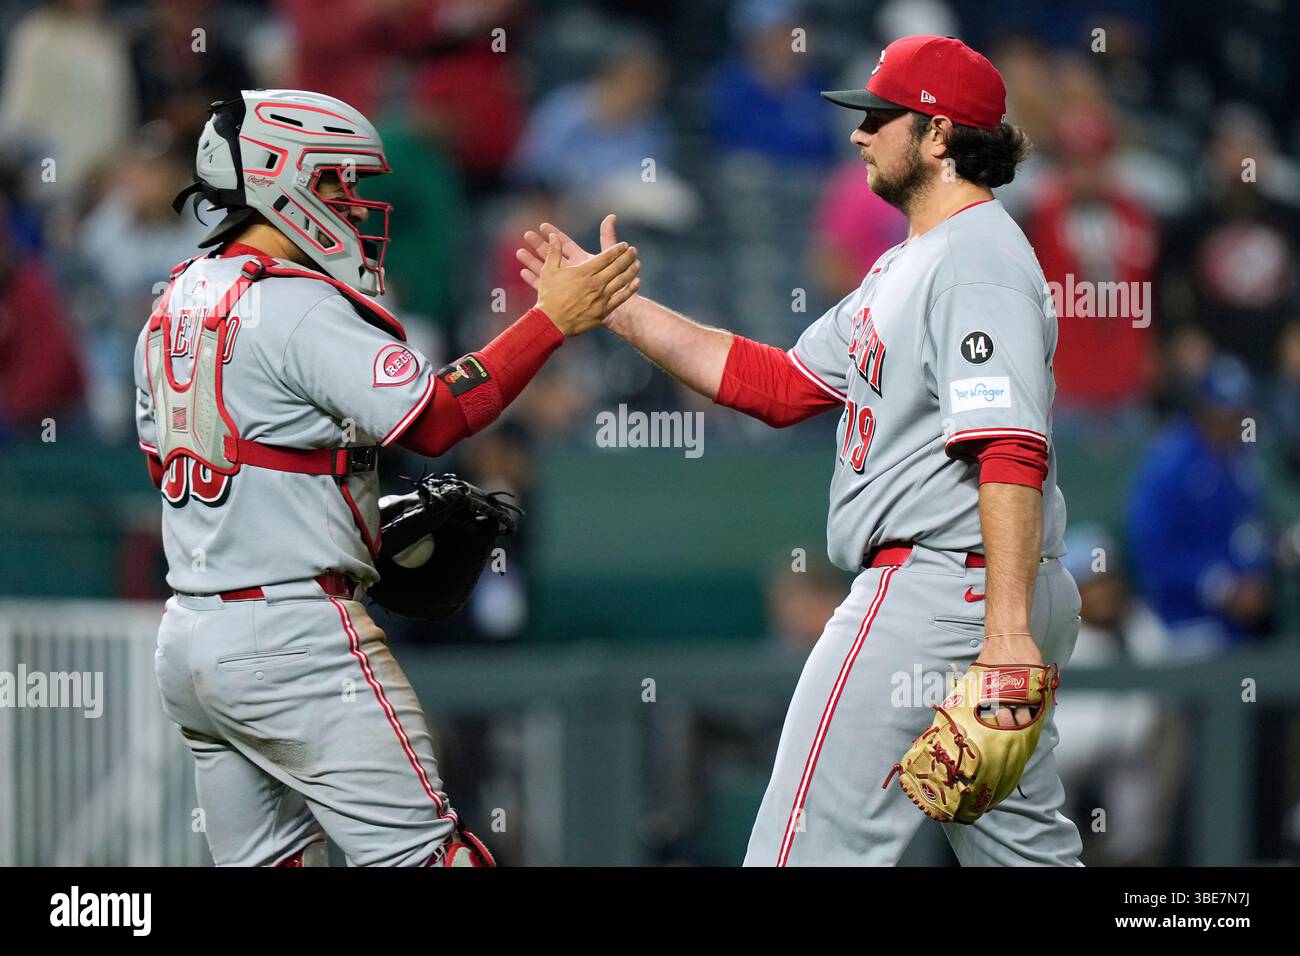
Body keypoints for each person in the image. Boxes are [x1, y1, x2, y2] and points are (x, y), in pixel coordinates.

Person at [518, 35, 1083, 866]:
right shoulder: (912, 263)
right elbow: (779, 386)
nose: (858, 135)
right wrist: (620, 311)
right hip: (981, 589)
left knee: (807, 848)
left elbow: (1007, 447)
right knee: (1026, 855)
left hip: (940, 589)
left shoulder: (976, 258)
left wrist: (1004, 633)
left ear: (937, 136)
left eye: (879, 118)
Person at [136, 89, 639, 866]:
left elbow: (206, 466)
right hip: (294, 636)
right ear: (278, 177)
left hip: (193, 642)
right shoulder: (294, 302)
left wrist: (355, 515)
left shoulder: (173, 300)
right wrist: (551, 321)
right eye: (333, 180)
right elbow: (437, 417)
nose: (351, 200)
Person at [1126, 354, 1274, 652]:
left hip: (1245, 626)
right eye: (1223, 413)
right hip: (1183, 624)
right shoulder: (1170, 464)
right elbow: (1152, 551)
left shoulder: (1243, 459)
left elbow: (1249, 531)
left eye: (1238, 413)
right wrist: (1225, 588)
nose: (1233, 422)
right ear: (1202, 411)